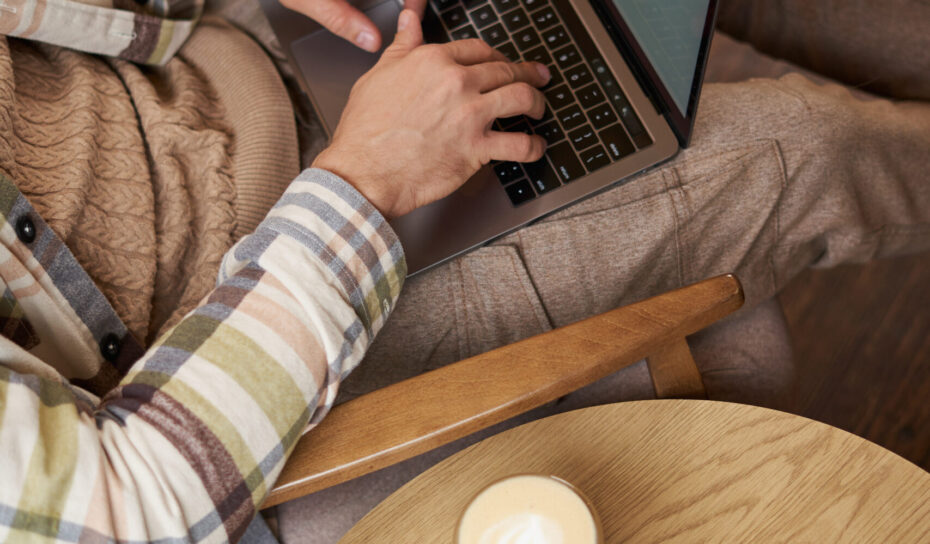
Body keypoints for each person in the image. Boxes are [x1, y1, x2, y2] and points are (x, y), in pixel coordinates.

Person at [0, 1, 927, 543]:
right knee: (801, 149)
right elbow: (126, 502)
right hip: (272, 303)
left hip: (225, 49)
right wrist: (366, 178)